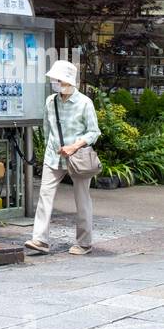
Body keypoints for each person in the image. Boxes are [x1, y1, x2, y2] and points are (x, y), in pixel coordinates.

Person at [25, 60, 100, 256]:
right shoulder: (51, 102)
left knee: (82, 199)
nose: (55, 83)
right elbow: (46, 129)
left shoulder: (85, 103)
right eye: (54, 80)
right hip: (53, 157)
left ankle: (84, 243)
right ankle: (40, 240)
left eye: (58, 80)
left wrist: (74, 146)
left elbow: (94, 132)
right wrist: (51, 149)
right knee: (44, 196)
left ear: (69, 81)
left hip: (79, 158)